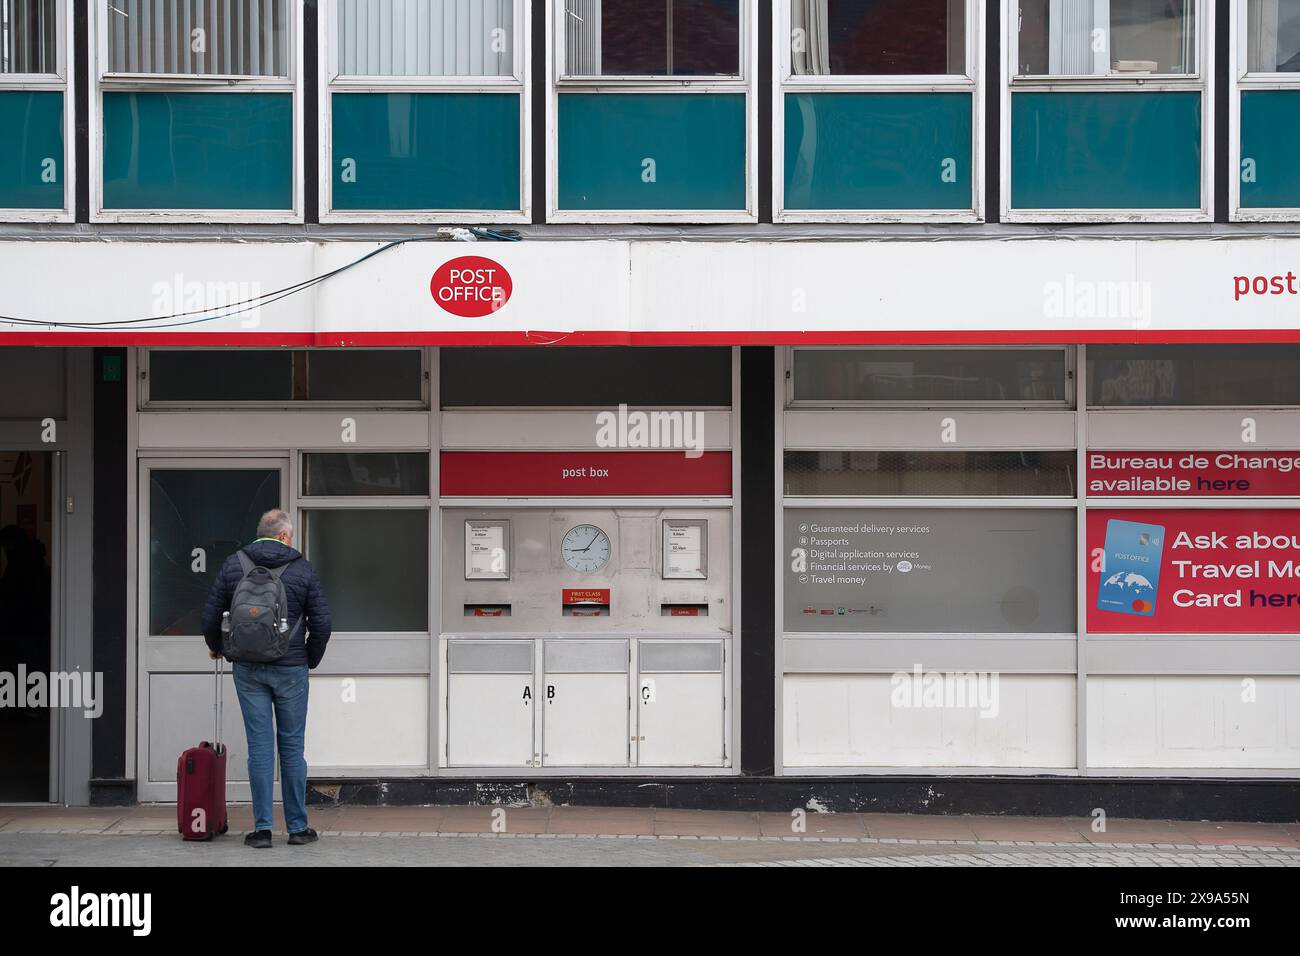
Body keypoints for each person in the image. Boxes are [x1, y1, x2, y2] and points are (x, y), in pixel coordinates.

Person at [201, 509, 331, 849]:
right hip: (291, 669)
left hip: (248, 669)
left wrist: (219, 649)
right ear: (285, 536)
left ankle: (261, 831)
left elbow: (210, 616)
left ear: (260, 533)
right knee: (292, 747)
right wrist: (308, 659)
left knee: (259, 748)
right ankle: (298, 829)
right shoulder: (301, 568)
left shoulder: (233, 564)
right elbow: (323, 622)